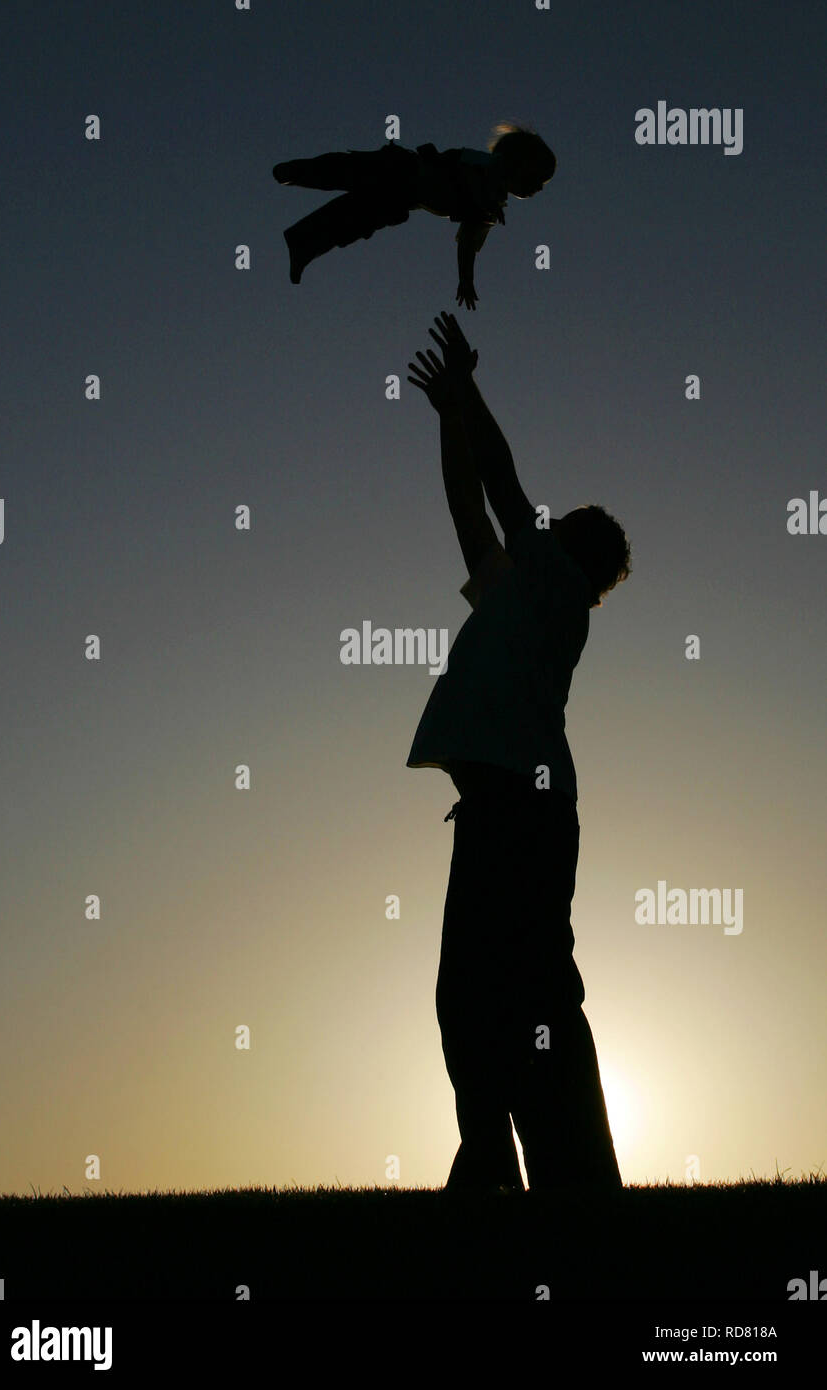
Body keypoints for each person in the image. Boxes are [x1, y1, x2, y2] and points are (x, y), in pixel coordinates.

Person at [405, 312, 631, 1194]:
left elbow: (503, 487)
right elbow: (472, 508)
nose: (544, 528)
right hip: (509, 805)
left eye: (558, 525)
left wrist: (469, 394)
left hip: (524, 807)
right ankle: (514, 1167)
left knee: (506, 994)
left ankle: (521, 1172)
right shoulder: (519, 595)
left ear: (577, 553)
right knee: (496, 995)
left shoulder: (560, 591)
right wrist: (447, 418)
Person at [272, 123, 555, 308]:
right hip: (405, 168)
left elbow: (468, 245)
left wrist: (466, 279)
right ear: (516, 162)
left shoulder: (489, 209)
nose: (539, 188)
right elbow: (456, 160)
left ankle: (302, 243)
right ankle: (299, 172)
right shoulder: (485, 166)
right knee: (352, 170)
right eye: (537, 178)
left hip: (404, 198)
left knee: (353, 218)